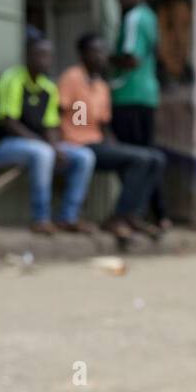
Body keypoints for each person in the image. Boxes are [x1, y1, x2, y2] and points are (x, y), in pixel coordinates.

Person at [58, 33, 165, 240]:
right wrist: (56, 144)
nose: (100, 57)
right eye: (95, 52)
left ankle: (133, 215)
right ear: (82, 55)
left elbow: (104, 123)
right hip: (76, 143)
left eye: (103, 52)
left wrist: (114, 144)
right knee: (140, 159)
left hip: (97, 142)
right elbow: (56, 113)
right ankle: (118, 218)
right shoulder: (72, 78)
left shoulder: (101, 86)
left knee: (155, 158)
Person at [0, 36, 96, 234]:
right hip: (6, 145)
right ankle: (40, 218)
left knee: (84, 156)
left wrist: (56, 147)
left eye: (48, 56)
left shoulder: (48, 87)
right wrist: (48, 147)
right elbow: (9, 122)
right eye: (39, 55)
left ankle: (68, 217)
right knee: (43, 153)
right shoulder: (12, 80)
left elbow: (50, 126)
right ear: (27, 56)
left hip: (39, 145)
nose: (44, 60)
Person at [109, 0, 169, 226]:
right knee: (148, 157)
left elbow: (132, 58)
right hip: (145, 95)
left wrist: (106, 59)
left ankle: (136, 212)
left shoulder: (133, 17)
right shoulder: (150, 17)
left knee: (136, 159)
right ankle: (158, 214)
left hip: (129, 95)